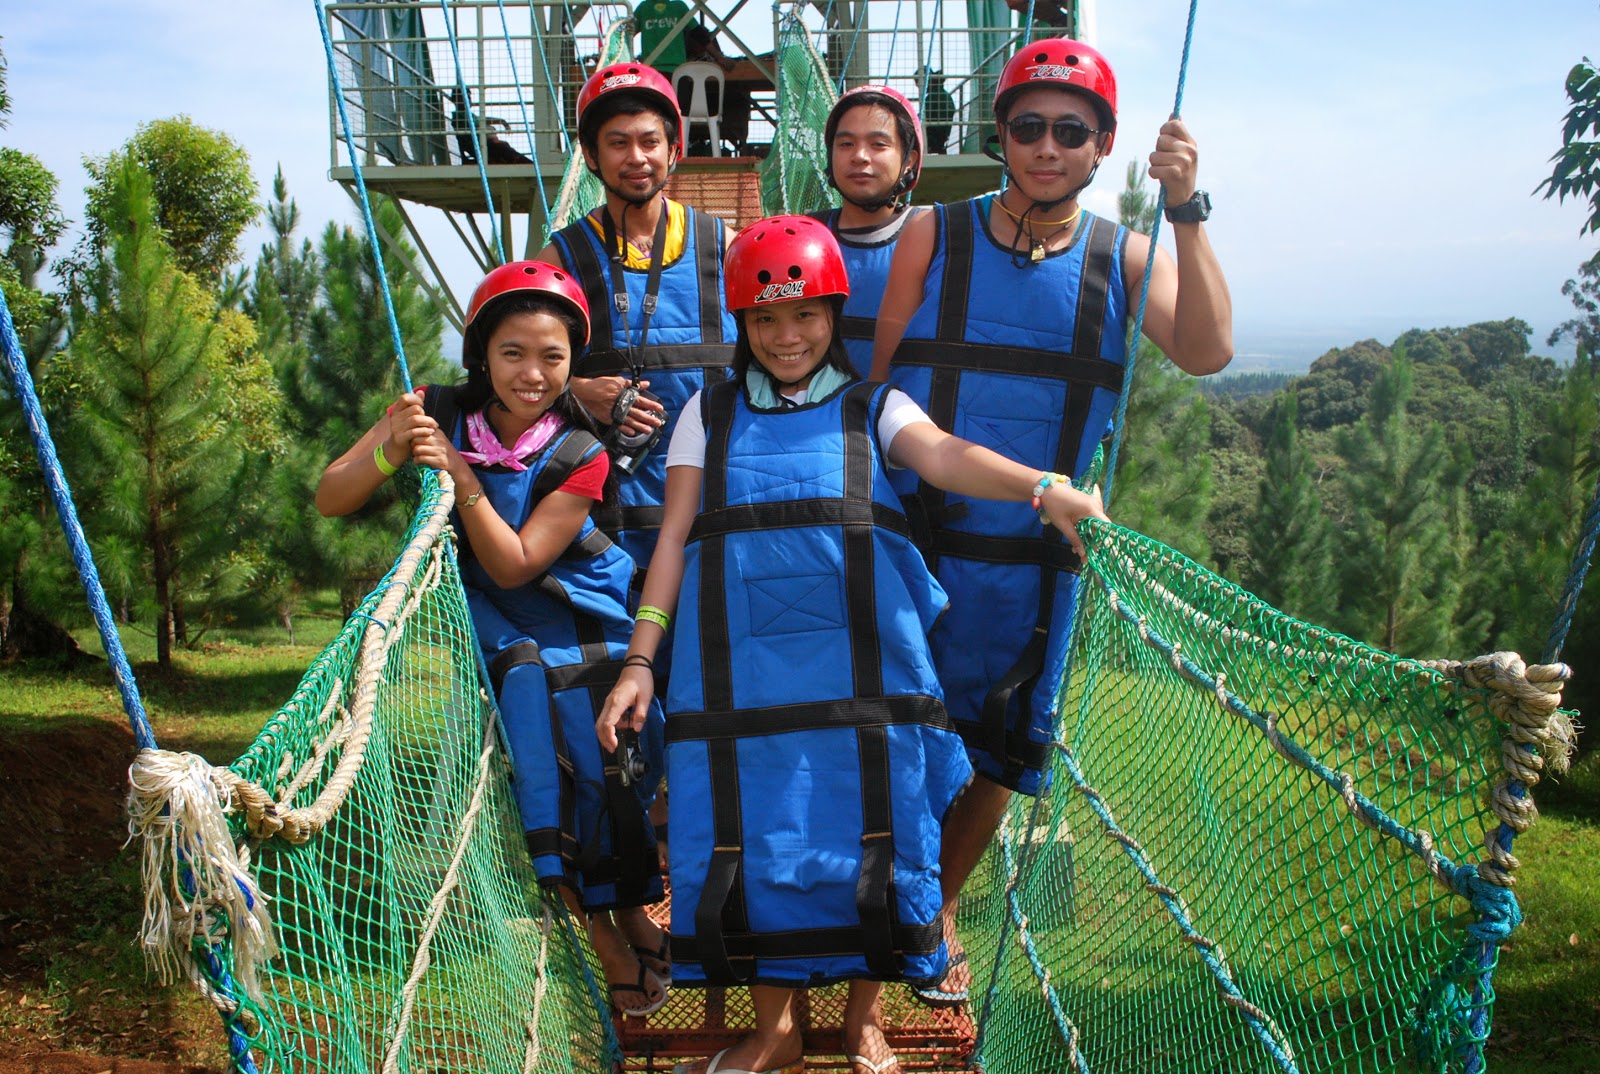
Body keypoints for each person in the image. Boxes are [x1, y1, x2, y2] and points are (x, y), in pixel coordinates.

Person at [597, 215, 1108, 1074]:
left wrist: (1042, 487)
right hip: (743, 681)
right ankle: (777, 1033)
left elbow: (943, 456)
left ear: (833, 313)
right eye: (765, 319)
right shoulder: (705, 416)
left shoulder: (875, 407)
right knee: (757, 840)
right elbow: (675, 538)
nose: (786, 336)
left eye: (804, 314)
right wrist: (642, 661)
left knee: (879, 830)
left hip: (864, 678)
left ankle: (860, 1019)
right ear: (743, 324)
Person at [869, 37, 1233, 1007]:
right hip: (917, 538)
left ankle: (937, 907)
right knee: (897, 726)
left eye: (1071, 132)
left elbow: (1206, 350)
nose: (1046, 147)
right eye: (1028, 126)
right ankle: (883, 902)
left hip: (1038, 556)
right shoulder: (933, 236)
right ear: (1001, 135)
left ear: (1103, 146)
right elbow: (882, 377)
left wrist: (1185, 207)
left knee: (1002, 743)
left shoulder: (1126, 257)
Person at [314, 261, 672, 1018]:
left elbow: (516, 563)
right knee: (539, 766)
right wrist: (393, 447)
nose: (532, 375)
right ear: (481, 353)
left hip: (580, 615)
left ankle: (632, 910)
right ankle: (604, 937)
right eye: (513, 353)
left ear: (574, 363)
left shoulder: (581, 452)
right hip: (500, 626)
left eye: (552, 357)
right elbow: (332, 495)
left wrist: (461, 477)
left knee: (607, 766)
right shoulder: (435, 410)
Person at [537, 62, 737, 616]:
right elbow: (507, 377)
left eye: (650, 141)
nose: (636, 157)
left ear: (674, 149)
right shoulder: (561, 259)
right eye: (617, 142)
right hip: (610, 510)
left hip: (716, 496)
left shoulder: (725, 246)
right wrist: (574, 391)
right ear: (591, 155)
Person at [808, 86, 928, 378]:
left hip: (900, 404)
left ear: (909, 160)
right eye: (845, 144)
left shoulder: (934, 238)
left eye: (878, 144)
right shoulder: (805, 236)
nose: (860, 156)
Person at [634, 0, 693, 77]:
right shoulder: (679, 6)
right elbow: (698, 32)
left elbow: (626, 35)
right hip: (677, 69)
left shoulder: (643, 7)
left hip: (651, 69)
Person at [911, 68, 956, 156]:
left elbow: (923, 117)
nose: (918, 87)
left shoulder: (933, 96)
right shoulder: (941, 94)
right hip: (941, 137)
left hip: (934, 137)